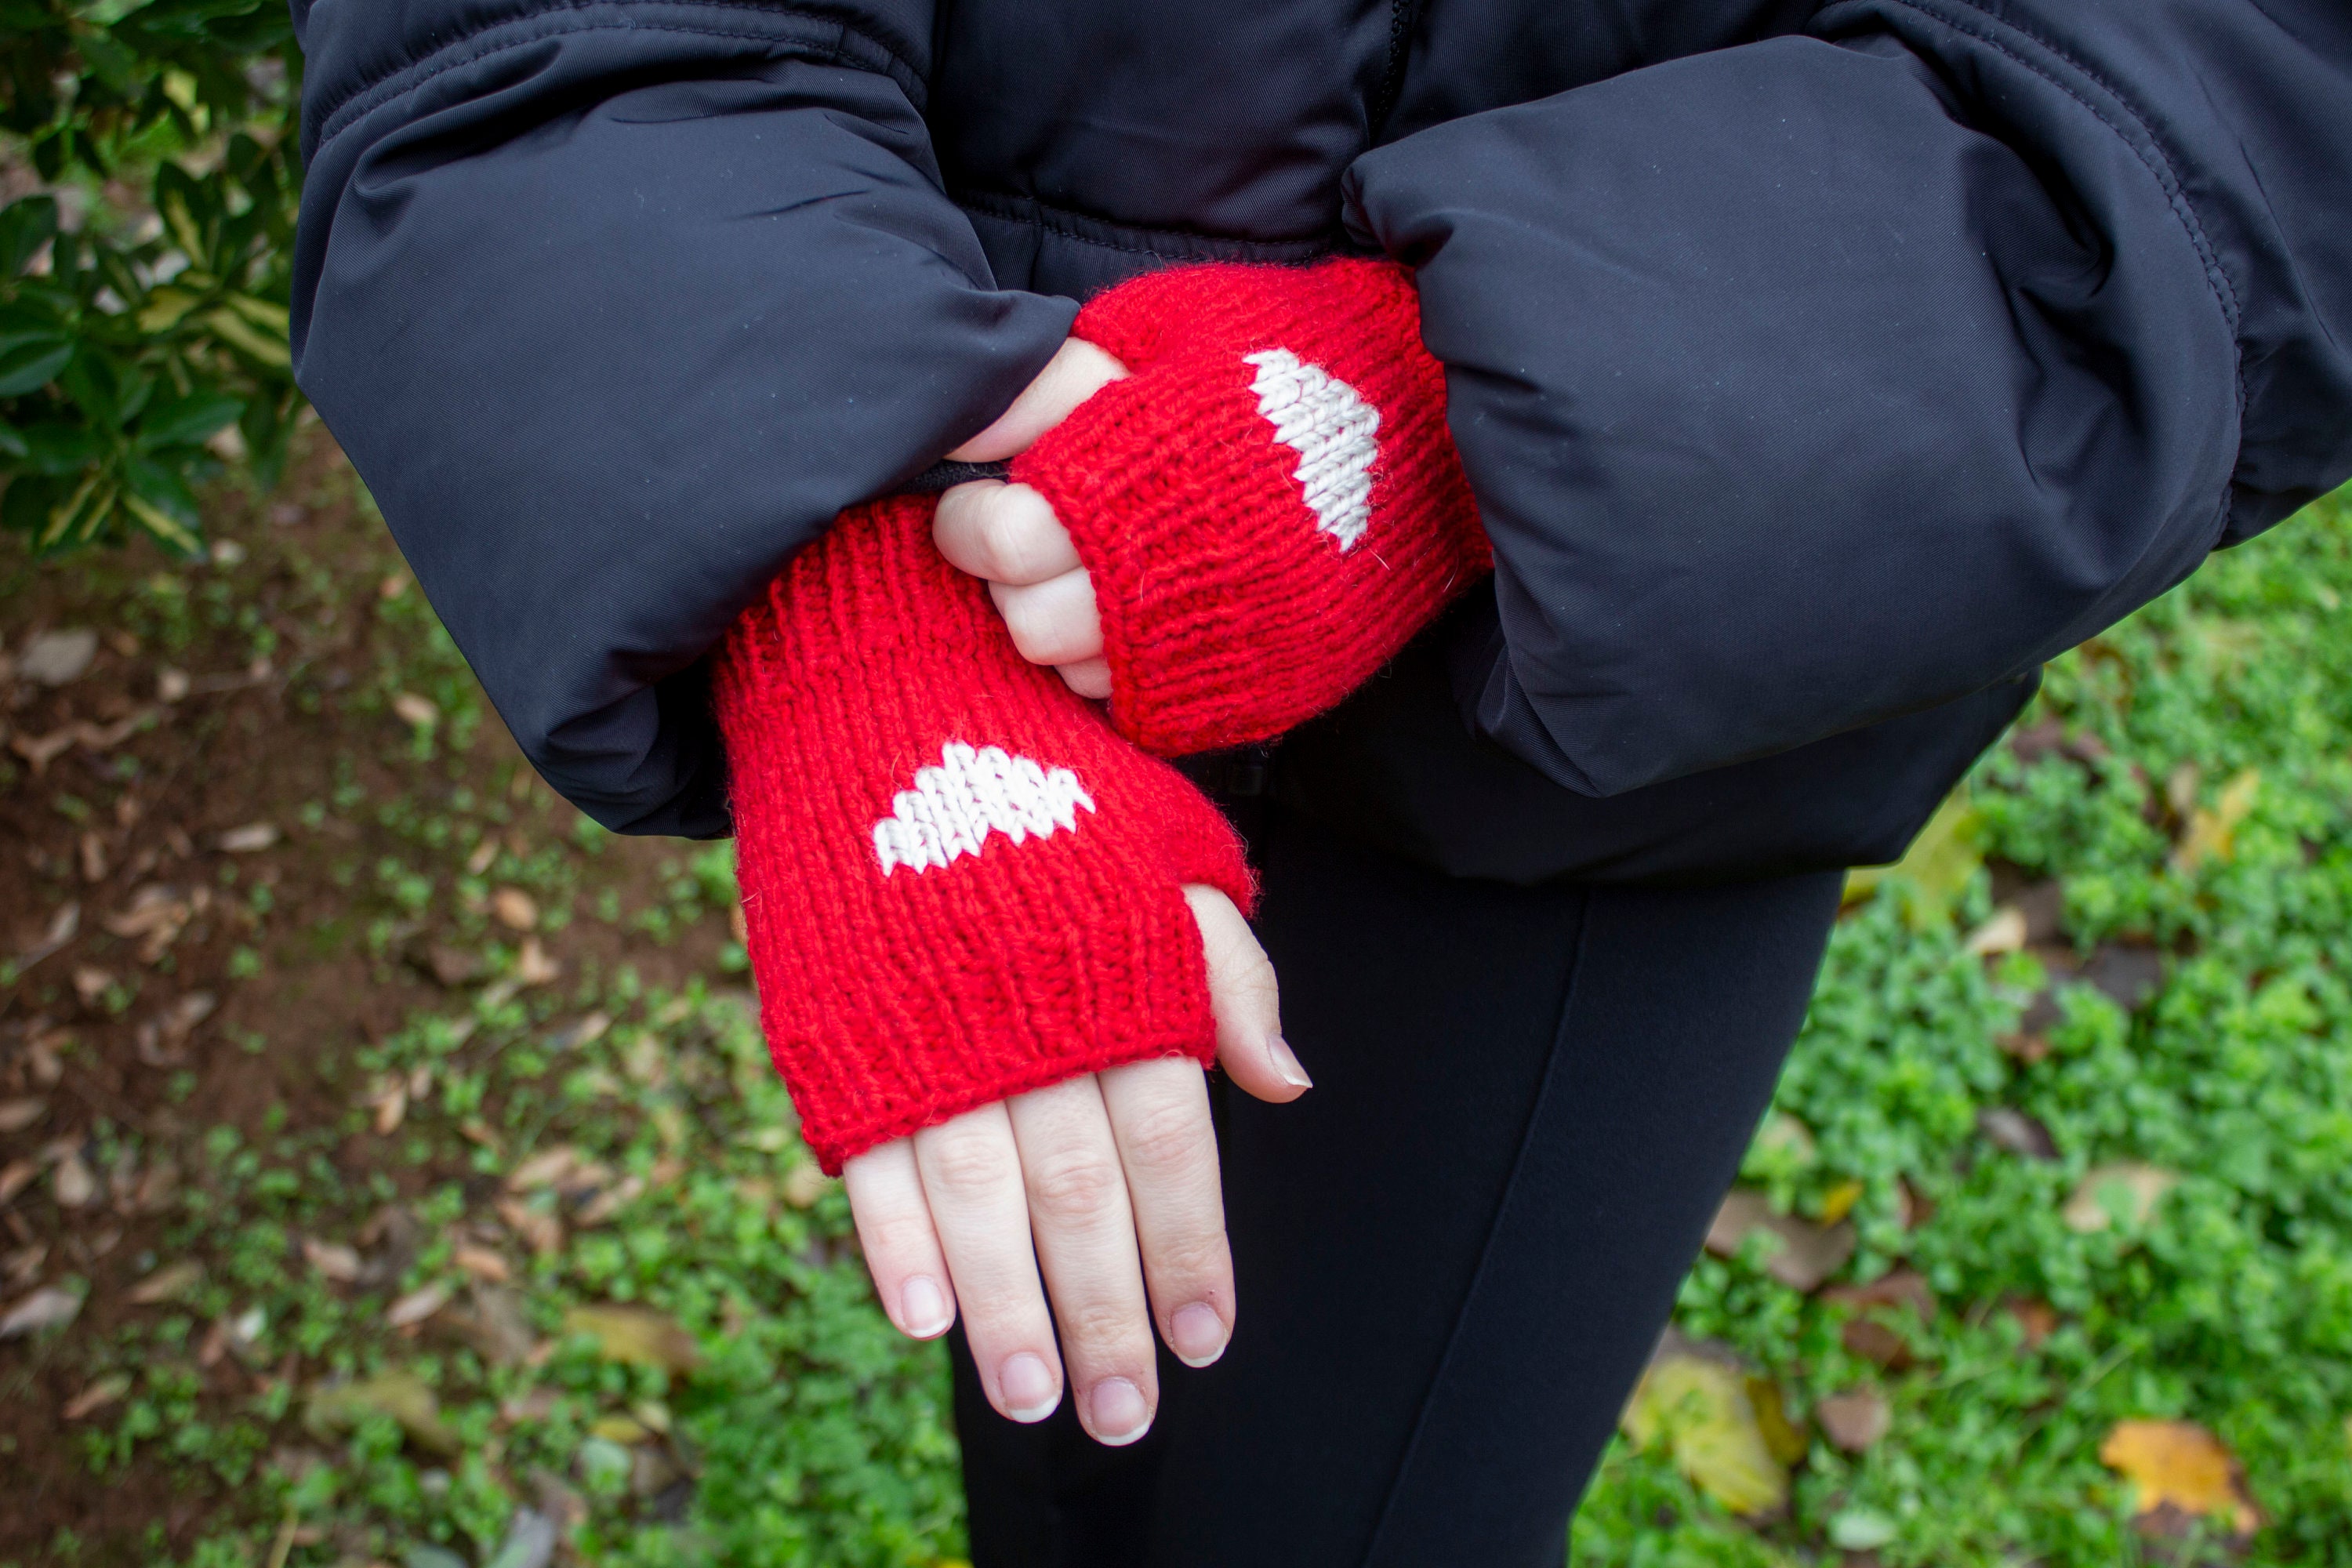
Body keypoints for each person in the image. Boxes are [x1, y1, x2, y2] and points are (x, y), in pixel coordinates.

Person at [285, 1, 2352, 1562]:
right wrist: (840, 549)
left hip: (1618, 714)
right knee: (1073, 1427)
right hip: (972, 575)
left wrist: (1475, 416)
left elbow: (2262, 85)